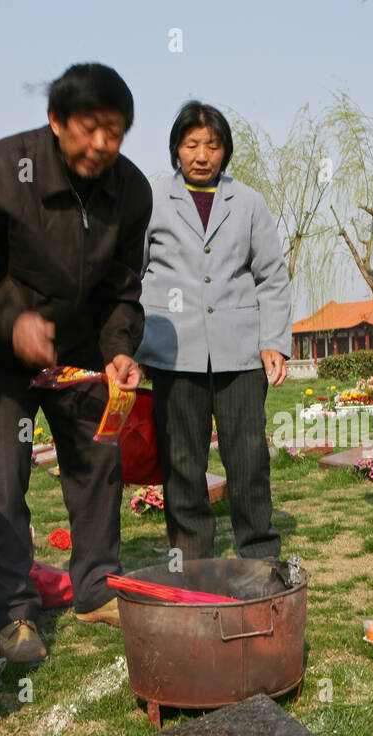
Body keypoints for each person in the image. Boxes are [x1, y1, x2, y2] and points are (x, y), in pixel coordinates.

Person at [0, 63, 153, 663]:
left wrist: (120, 349)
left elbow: (122, 289)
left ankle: (97, 589)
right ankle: (16, 615)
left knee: (99, 463)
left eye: (116, 131)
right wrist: (11, 323)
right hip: (0, 355)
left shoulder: (131, 190)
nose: (102, 145)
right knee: (4, 475)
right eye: (88, 128)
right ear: (55, 121)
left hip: (81, 355)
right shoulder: (1, 173)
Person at [136, 102, 292, 560]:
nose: (202, 155)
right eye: (191, 144)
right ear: (176, 149)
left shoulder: (247, 202)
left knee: (248, 461)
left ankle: (259, 555)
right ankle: (190, 560)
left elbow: (272, 276)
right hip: (173, 351)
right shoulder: (153, 199)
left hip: (240, 353)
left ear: (225, 151)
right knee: (182, 464)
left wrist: (273, 342)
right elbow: (132, 272)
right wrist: (135, 342)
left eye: (213, 145)